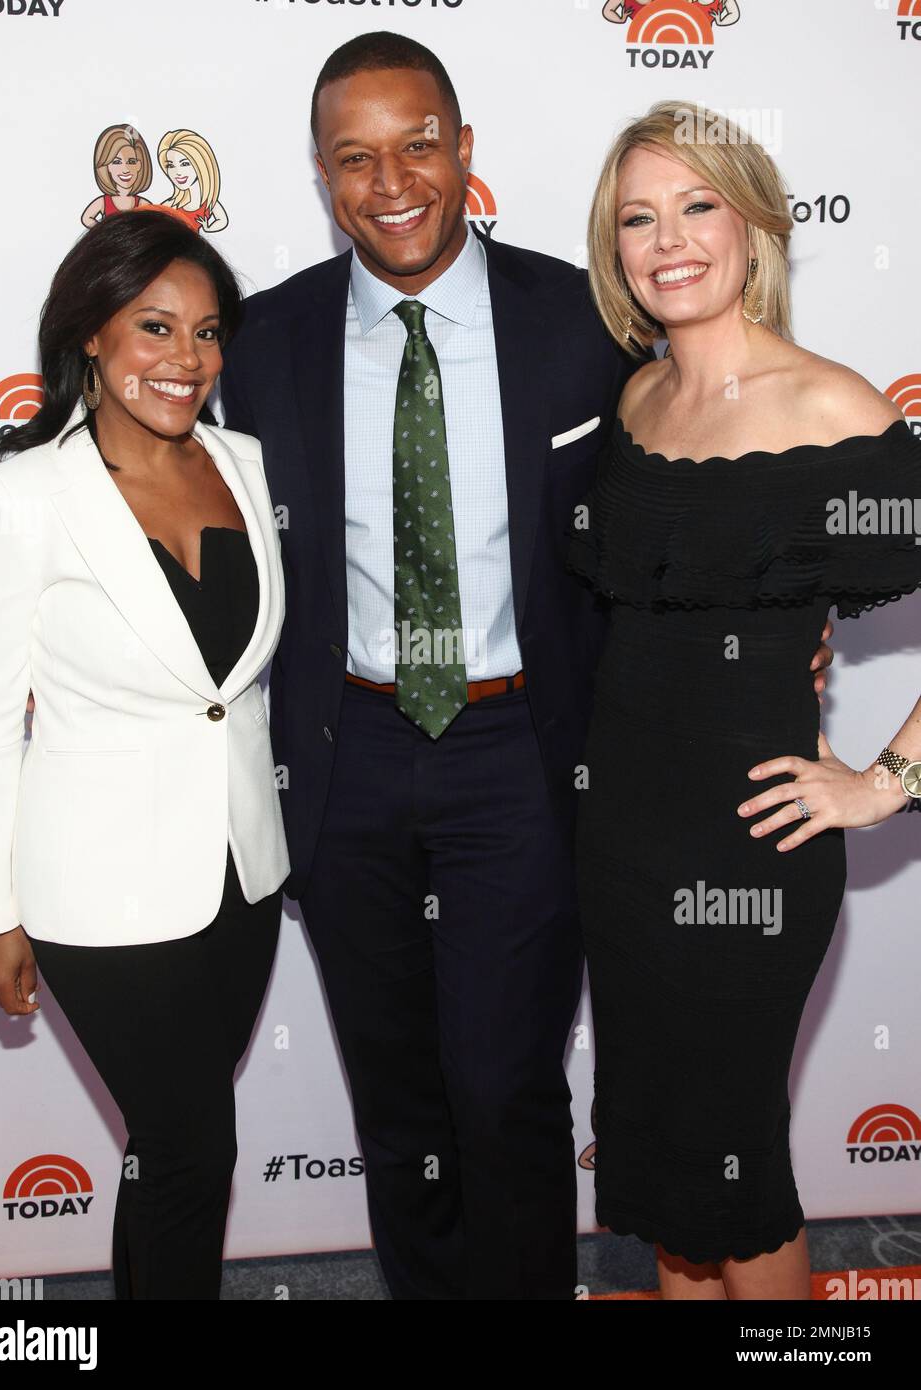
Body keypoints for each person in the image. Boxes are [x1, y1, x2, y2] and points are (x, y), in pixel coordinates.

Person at [217, 35, 834, 1299]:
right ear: (324, 175)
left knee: (505, 1088)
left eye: (419, 142)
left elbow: (704, 471)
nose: (393, 179)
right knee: (397, 1102)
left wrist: (783, 615)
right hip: (350, 761)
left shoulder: (587, 321)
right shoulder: (263, 341)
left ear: (465, 149)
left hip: (527, 759)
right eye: (356, 156)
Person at [566, 100, 921, 1300]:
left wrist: (888, 780)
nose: (669, 240)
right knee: (669, 1180)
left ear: (755, 220)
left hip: (752, 851)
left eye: (697, 204)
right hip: (623, 843)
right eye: (638, 217)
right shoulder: (633, 405)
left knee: (736, 1171)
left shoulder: (834, 410)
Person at [0, 209, 289, 1299]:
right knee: (193, 1150)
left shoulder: (241, 460)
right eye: (154, 328)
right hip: (96, 896)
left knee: (171, 1150)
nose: (185, 360)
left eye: (206, 332)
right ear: (91, 331)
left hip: (239, 873)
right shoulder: (18, 497)